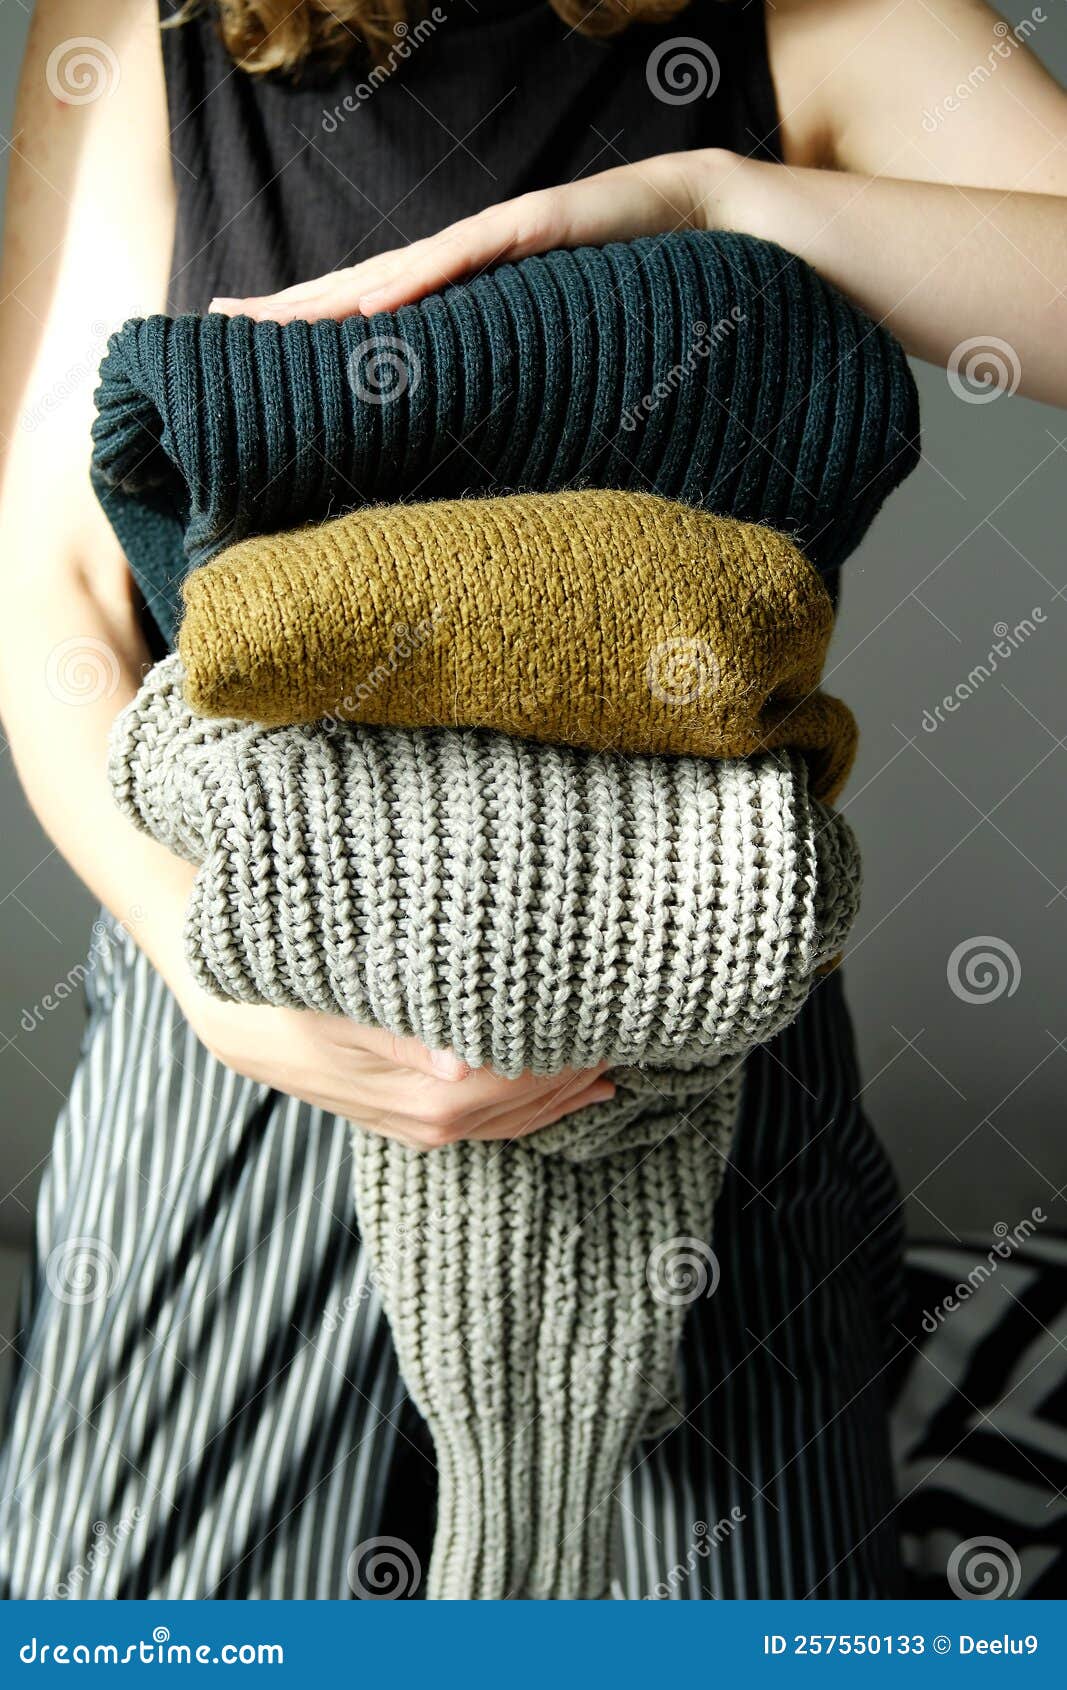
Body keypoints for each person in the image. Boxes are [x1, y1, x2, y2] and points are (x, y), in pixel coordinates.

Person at [0, 0, 1063, 1600]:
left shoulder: (817, 13)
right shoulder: (146, 25)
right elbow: (52, 583)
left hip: (691, 1015)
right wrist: (208, 965)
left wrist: (725, 201)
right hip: (231, 985)